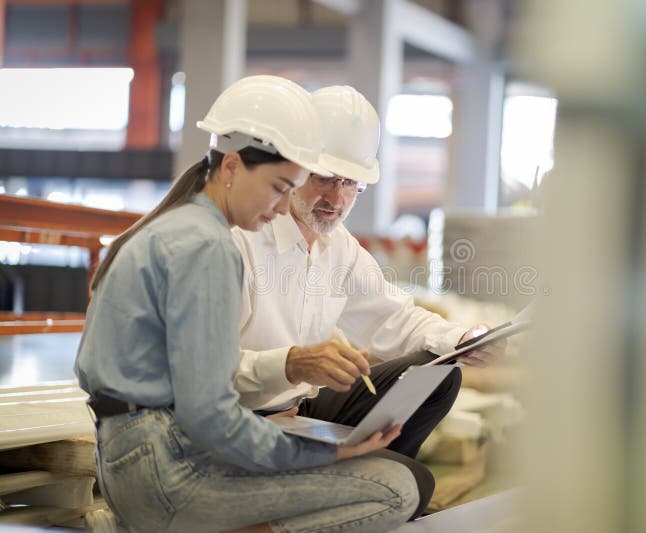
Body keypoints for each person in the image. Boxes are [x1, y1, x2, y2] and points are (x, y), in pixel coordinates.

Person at [74, 76, 421, 533]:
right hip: (165, 469)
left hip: (131, 455)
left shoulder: (177, 228)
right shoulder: (211, 246)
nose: (281, 209)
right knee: (397, 488)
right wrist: (327, 453)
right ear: (233, 167)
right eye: (280, 188)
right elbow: (212, 417)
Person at [232, 85, 506, 516]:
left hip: (299, 411)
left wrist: (463, 337)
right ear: (295, 167)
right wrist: (291, 362)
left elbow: (392, 320)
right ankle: (368, 492)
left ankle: (365, 486)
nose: (337, 200)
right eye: (326, 179)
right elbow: (205, 376)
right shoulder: (243, 241)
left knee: (439, 373)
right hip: (243, 423)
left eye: (350, 183)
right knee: (415, 484)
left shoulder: (337, 247)